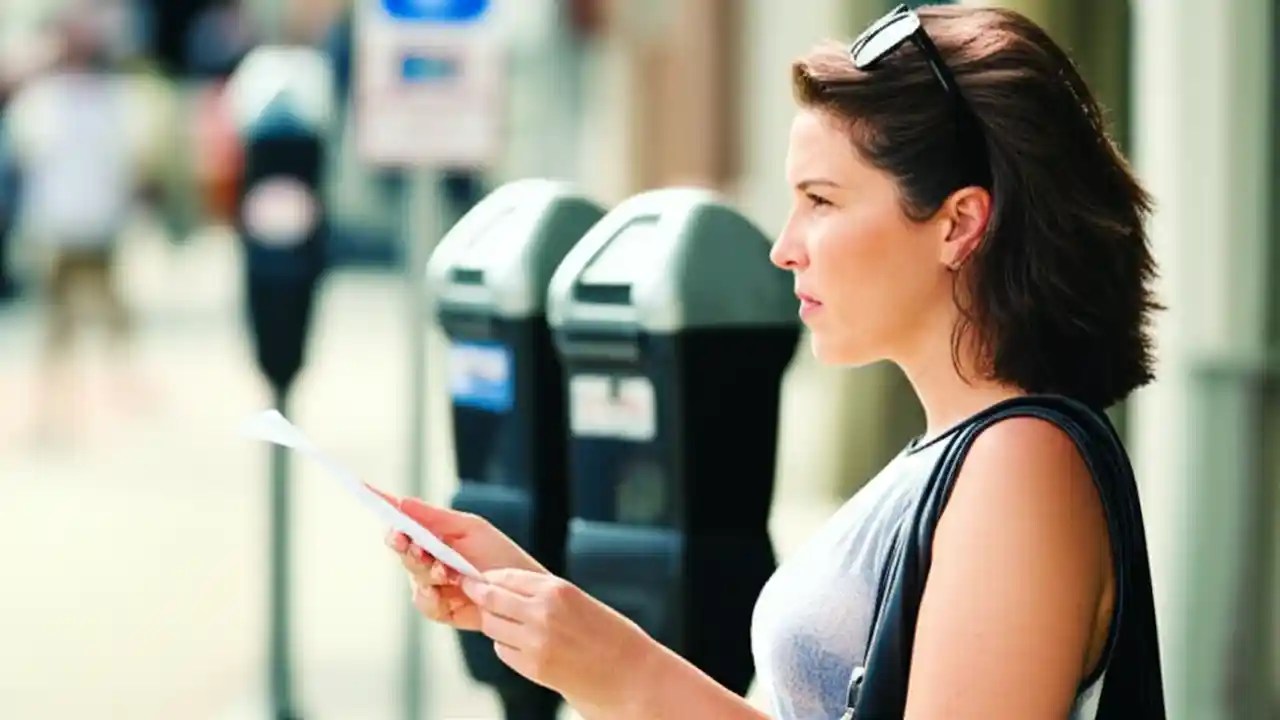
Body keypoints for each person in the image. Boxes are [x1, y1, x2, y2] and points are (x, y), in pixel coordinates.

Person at [383, 5, 1166, 718]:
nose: (783, 248)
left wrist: (621, 671)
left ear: (959, 223)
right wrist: (547, 617)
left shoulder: (1022, 464)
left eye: (821, 201)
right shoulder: (959, 456)